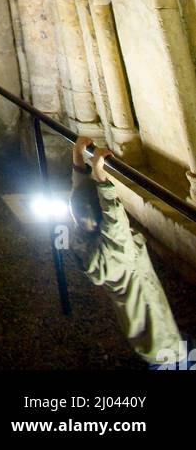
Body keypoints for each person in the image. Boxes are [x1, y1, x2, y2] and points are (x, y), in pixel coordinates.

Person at [68, 136, 191, 368]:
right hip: (163, 343)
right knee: (178, 359)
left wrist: (79, 158)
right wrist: (99, 175)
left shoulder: (83, 242)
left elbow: (80, 200)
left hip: (142, 335)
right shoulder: (118, 249)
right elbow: (114, 219)